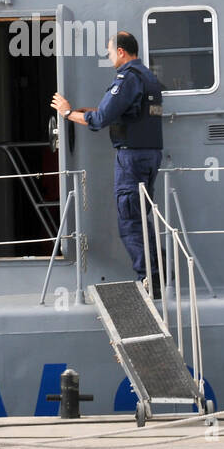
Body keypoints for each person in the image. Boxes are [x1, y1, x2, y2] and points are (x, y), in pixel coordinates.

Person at [51, 31, 165, 295]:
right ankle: (157, 273)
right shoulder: (149, 77)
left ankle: (150, 281)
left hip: (131, 158)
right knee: (141, 217)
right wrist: (89, 112)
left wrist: (68, 113)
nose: (109, 55)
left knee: (130, 220)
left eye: (111, 51)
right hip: (150, 155)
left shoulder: (126, 79)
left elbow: (102, 120)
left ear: (122, 52)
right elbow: (131, 114)